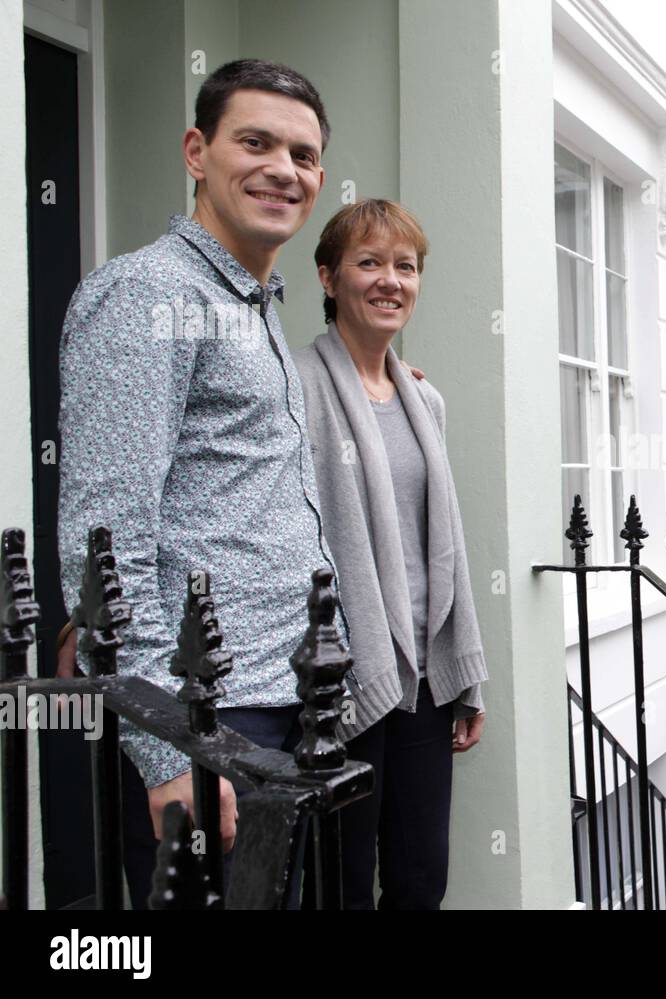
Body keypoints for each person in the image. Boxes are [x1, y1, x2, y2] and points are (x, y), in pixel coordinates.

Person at [57, 59, 333, 908]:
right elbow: (106, 544)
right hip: (209, 713)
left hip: (282, 699)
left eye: (304, 154)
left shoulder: (253, 303)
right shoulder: (149, 295)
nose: (283, 169)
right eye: (255, 142)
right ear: (195, 151)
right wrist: (168, 752)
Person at [291, 199, 488, 909]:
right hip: (346, 672)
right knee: (340, 882)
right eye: (368, 262)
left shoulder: (424, 400)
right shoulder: (296, 387)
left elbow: (447, 541)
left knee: (418, 878)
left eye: (404, 266)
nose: (389, 280)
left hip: (425, 682)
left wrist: (464, 677)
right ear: (327, 277)